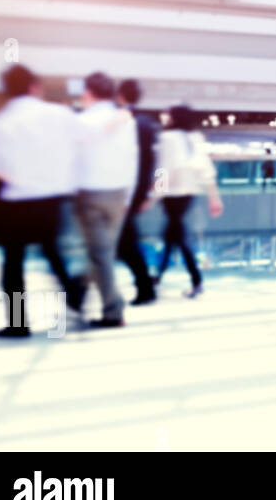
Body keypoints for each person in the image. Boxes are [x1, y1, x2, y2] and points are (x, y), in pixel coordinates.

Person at [0, 65, 83, 337]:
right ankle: (74, 294)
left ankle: (18, 323)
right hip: (52, 198)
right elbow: (78, 147)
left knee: (13, 262)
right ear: (34, 87)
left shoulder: (0, 122)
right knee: (53, 253)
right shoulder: (61, 115)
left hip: (16, 201)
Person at [71, 71, 137, 329]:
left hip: (90, 194)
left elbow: (74, 160)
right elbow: (133, 160)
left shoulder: (83, 121)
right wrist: (128, 198)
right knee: (101, 253)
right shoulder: (125, 120)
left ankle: (113, 311)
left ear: (88, 93)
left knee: (100, 255)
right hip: (119, 193)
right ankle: (78, 294)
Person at [154, 105, 223, 298]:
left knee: (177, 236)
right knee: (172, 234)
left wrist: (154, 196)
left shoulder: (167, 138)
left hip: (172, 194)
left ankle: (195, 280)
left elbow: (164, 168)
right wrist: (214, 197)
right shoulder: (195, 138)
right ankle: (159, 275)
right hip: (188, 194)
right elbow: (206, 170)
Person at [115, 78, 158, 305]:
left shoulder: (122, 121)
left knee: (123, 243)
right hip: (135, 192)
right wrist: (148, 194)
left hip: (121, 191)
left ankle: (145, 287)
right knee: (124, 241)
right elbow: (152, 161)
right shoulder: (146, 123)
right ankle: (145, 286)